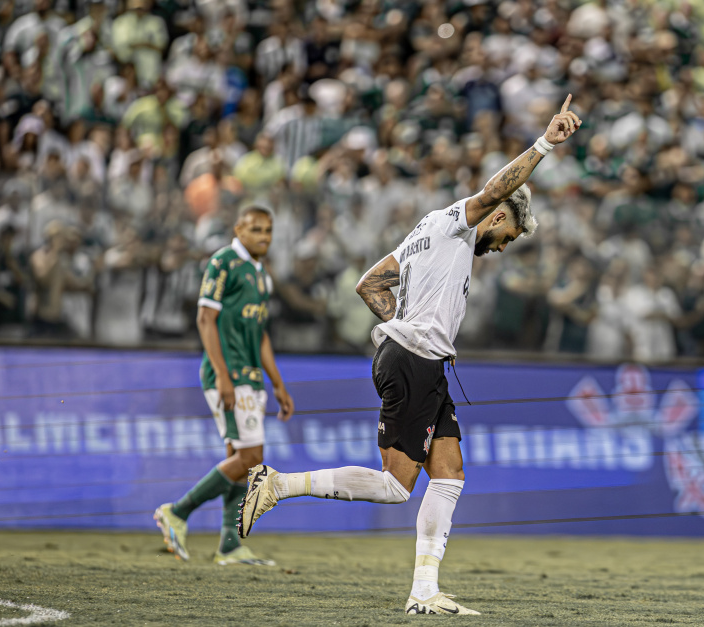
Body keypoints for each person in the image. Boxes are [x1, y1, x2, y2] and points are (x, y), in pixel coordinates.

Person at [237, 96, 581, 614]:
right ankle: (279, 484)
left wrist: (412, 327)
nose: (503, 247)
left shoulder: (428, 230)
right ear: (499, 216)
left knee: (449, 474)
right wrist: (544, 144)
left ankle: (425, 591)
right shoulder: (462, 221)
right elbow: (495, 189)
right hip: (414, 361)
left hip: (420, 358)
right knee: (397, 487)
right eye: (507, 236)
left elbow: (368, 283)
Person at [154, 205, 295, 565]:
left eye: (268, 230)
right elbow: (205, 317)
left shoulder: (262, 276)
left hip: (251, 376)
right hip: (229, 374)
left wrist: (278, 383)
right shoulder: (224, 262)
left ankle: (229, 545)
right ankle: (178, 512)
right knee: (252, 457)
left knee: (243, 460)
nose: (264, 236)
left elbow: (259, 332)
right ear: (239, 230)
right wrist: (221, 373)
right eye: (256, 229)